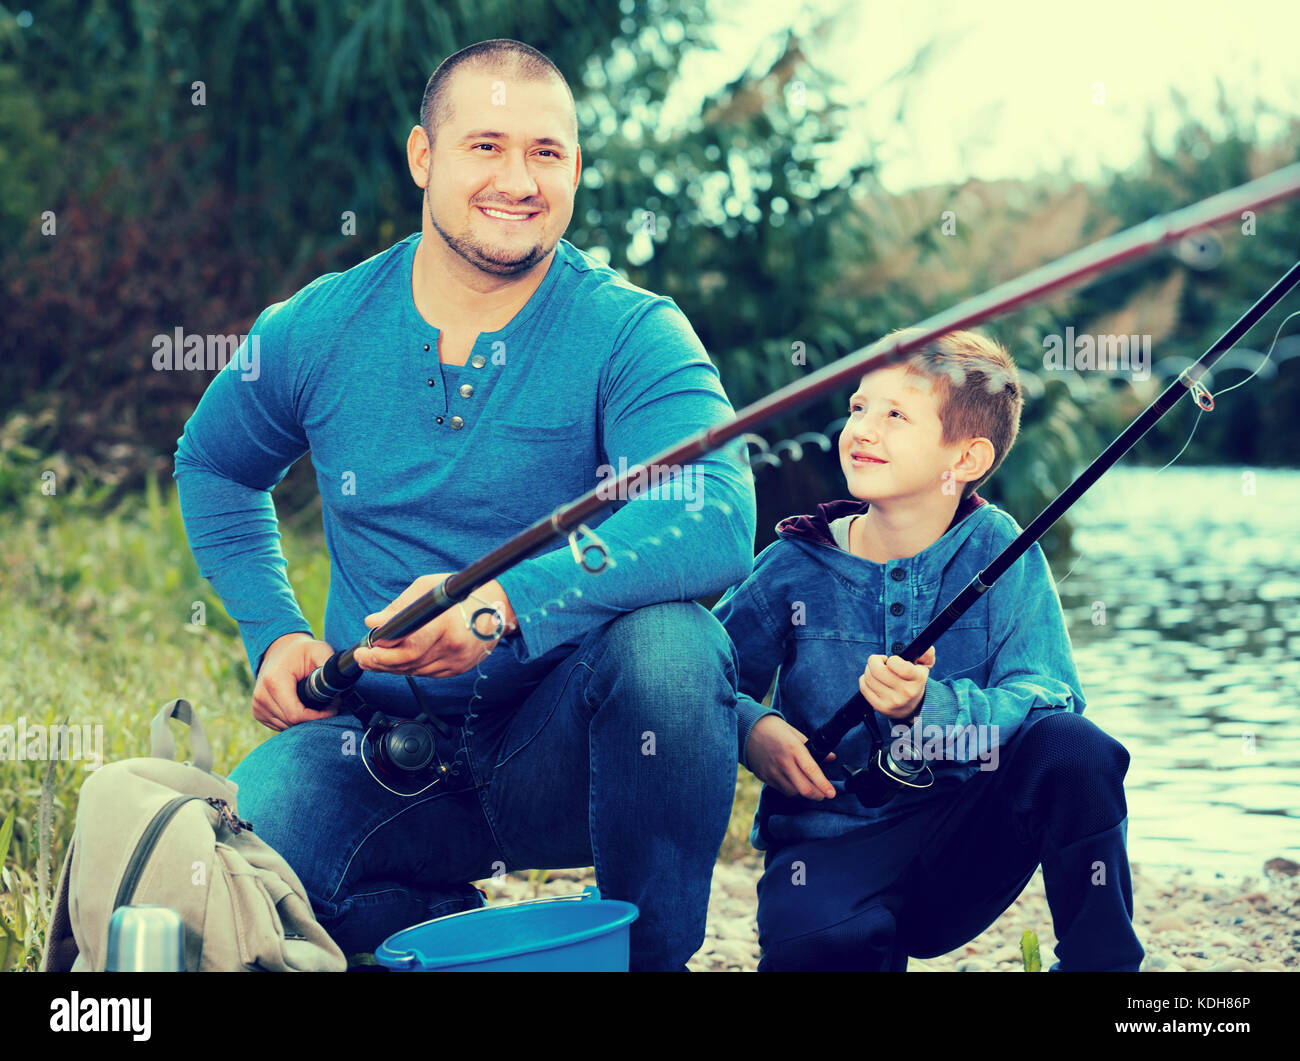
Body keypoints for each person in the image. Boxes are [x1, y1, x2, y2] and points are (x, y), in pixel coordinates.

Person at [173, 38, 756, 971]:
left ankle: (650, 956)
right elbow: (211, 464)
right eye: (485, 146)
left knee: (674, 647)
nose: (518, 180)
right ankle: (429, 914)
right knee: (244, 855)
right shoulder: (316, 326)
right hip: (373, 742)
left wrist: (510, 603)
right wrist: (273, 631)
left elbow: (716, 512)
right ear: (422, 157)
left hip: (563, 748)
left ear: (576, 168)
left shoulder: (634, 330)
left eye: (547, 153)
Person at [711, 329, 1145, 971]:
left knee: (1076, 749)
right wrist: (754, 729)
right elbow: (709, 672)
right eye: (858, 408)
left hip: (963, 844)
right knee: (818, 946)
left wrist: (930, 709)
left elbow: (1048, 695)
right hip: (831, 843)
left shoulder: (1004, 549)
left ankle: (1102, 963)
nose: (861, 429)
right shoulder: (793, 563)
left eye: (895, 415)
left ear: (965, 460)